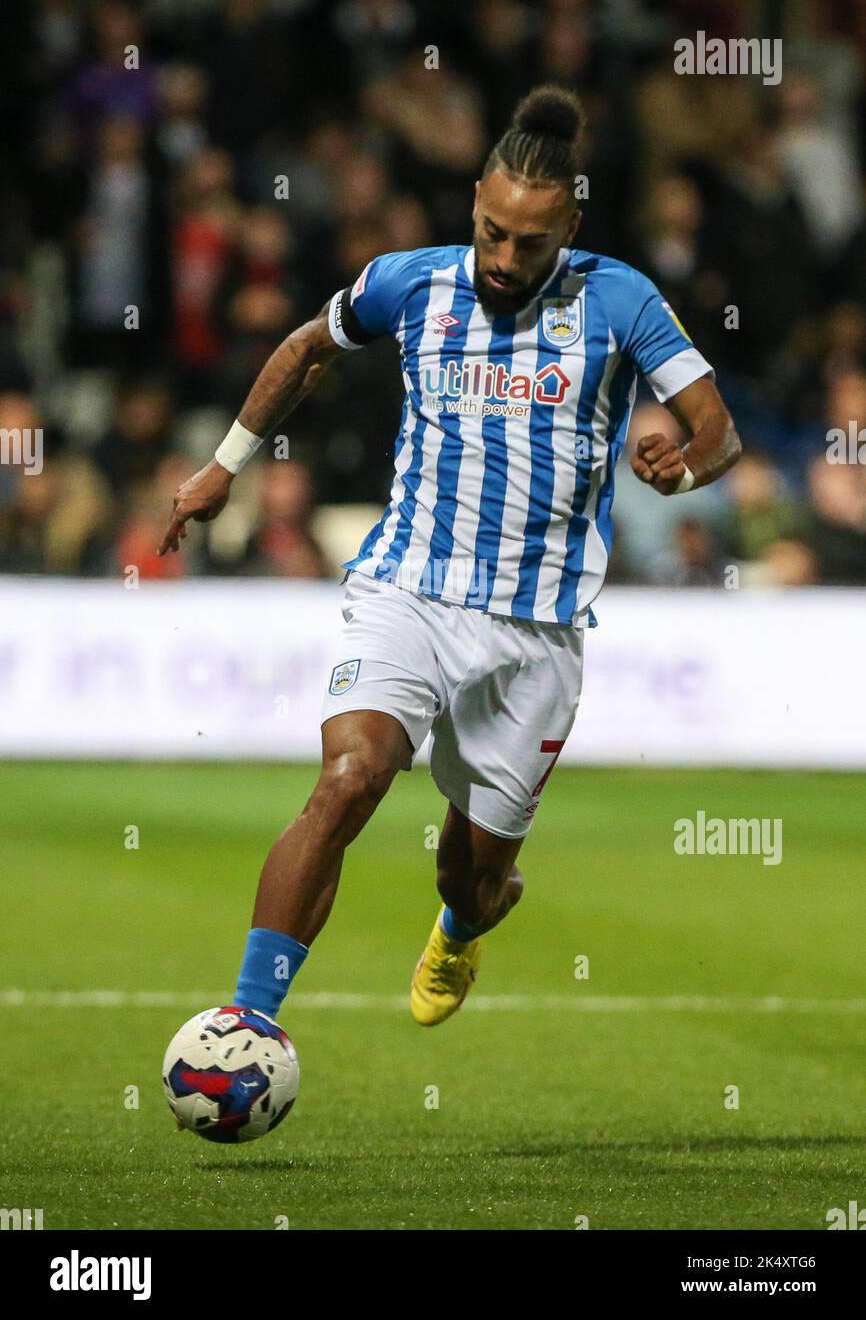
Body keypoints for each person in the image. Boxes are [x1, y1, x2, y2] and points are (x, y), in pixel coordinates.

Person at [158, 86, 741, 1034]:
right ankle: (247, 1021)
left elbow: (718, 434)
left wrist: (678, 472)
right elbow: (309, 349)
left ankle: (465, 924)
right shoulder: (410, 280)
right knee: (348, 780)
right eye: (492, 232)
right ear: (474, 200)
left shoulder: (618, 297)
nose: (507, 260)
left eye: (531, 244)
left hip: (535, 628)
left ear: (571, 227)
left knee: (467, 877)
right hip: (407, 591)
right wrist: (225, 465)